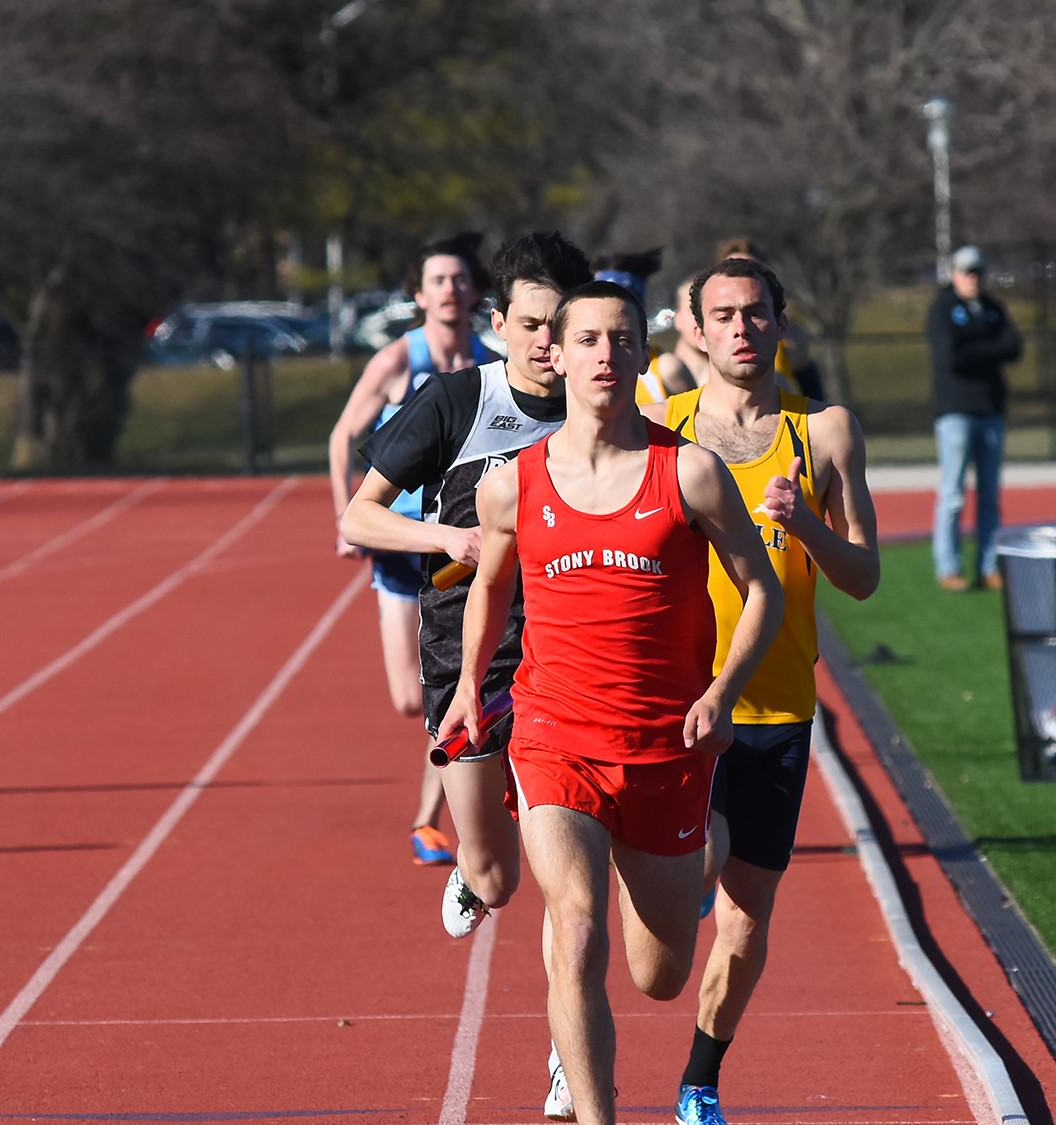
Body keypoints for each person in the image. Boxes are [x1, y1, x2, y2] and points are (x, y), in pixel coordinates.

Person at [439, 280, 783, 1125]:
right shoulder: (512, 483)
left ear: (641, 352)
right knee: (576, 925)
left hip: (666, 749)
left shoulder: (690, 472)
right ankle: (597, 1114)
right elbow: (487, 588)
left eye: (621, 339)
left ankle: (683, 865)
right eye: (587, 339)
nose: (605, 354)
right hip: (555, 736)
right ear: (556, 354)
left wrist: (722, 692)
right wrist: (464, 689)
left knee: (659, 976)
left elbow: (762, 590)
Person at [652, 257, 880, 1125]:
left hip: (777, 712)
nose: (741, 328)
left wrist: (805, 522)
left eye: (756, 313)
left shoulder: (823, 433)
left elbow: (862, 577)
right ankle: (576, 1032)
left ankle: (699, 1081)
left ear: (781, 322)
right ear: (697, 330)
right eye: (724, 315)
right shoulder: (657, 428)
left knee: (745, 923)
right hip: (679, 708)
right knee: (675, 902)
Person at [341, 228, 592, 925]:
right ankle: (473, 870)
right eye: (532, 324)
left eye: (561, 325)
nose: (547, 342)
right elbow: (360, 517)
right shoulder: (456, 401)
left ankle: (570, 1034)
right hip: (469, 659)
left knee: (576, 876)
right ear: (499, 323)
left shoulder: (602, 410)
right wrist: (453, 536)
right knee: (499, 875)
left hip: (575, 660)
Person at [327, 232, 496, 865]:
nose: (451, 290)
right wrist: (341, 520)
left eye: (460, 279)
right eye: (438, 281)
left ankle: (431, 818)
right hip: (402, 542)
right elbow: (344, 435)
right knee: (408, 696)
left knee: (453, 681)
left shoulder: (490, 363)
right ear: (418, 294)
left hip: (464, 548)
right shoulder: (400, 359)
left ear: (476, 291)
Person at [926, 244, 1021, 592]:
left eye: (978, 272)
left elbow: (1014, 346)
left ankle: (989, 565)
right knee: (953, 494)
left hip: (991, 410)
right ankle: (949, 566)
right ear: (954, 275)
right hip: (955, 412)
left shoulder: (993, 307)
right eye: (967, 272)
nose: (974, 278)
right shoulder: (942, 309)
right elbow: (951, 356)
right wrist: (989, 350)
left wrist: (977, 349)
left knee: (989, 495)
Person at [715, 237, 824, 399]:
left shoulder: (792, 337)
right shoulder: (709, 337)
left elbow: (812, 390)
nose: (741, 279)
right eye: (732, 270)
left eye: (749, 271)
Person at [644, 273, 711, 404]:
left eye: (710, 310)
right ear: (677, 318)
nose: (701, 318)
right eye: (693, 310)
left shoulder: (731, 380)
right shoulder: (655, 370)